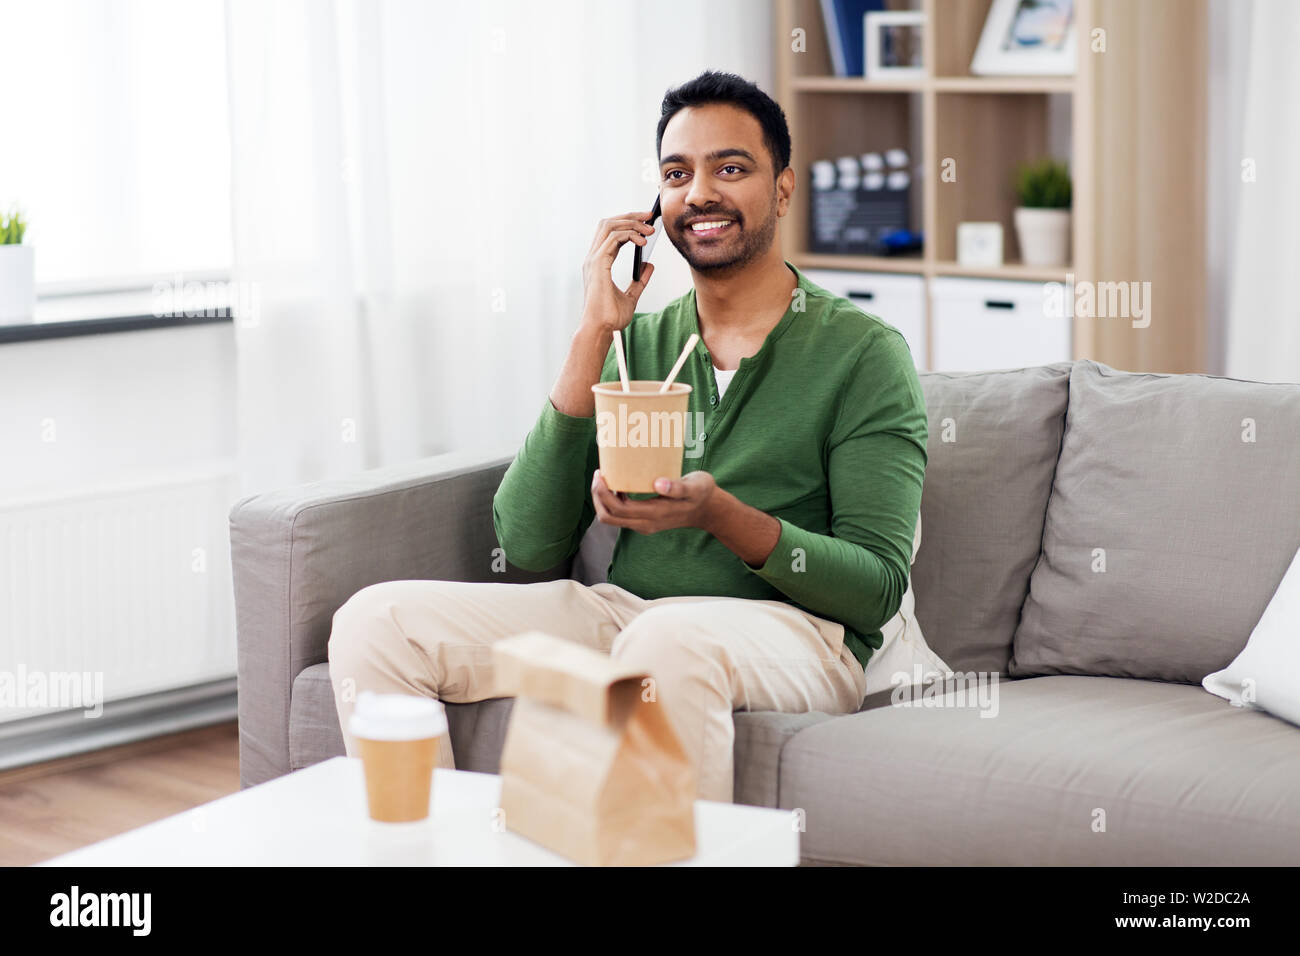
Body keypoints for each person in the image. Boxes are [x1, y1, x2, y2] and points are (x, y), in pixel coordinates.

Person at [329, 69, 928, 803]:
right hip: (630, 615)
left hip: (801, 634)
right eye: (678, 174)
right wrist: (594, 329)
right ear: (658, 205)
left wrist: (720, 515)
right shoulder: (637, 345)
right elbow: (528, 544)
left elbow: (873, 589)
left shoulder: (862, 352)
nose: (700, 192)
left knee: (662, 646)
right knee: (376, 623)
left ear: (782, 189)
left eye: (730, 168)